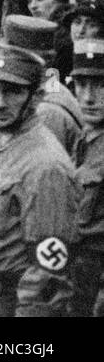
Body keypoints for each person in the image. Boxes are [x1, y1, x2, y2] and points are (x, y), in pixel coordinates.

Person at [0, 39, 80, 317]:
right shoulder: (4, 139)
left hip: (14, 303)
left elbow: (48, 270)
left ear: (35, 97)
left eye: (13, 92)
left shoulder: (46, 166)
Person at [69, 37, 104, 316]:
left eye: (101, 85)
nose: (89, 97)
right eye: (82, 85)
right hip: (76, 265)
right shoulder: (84, 135)